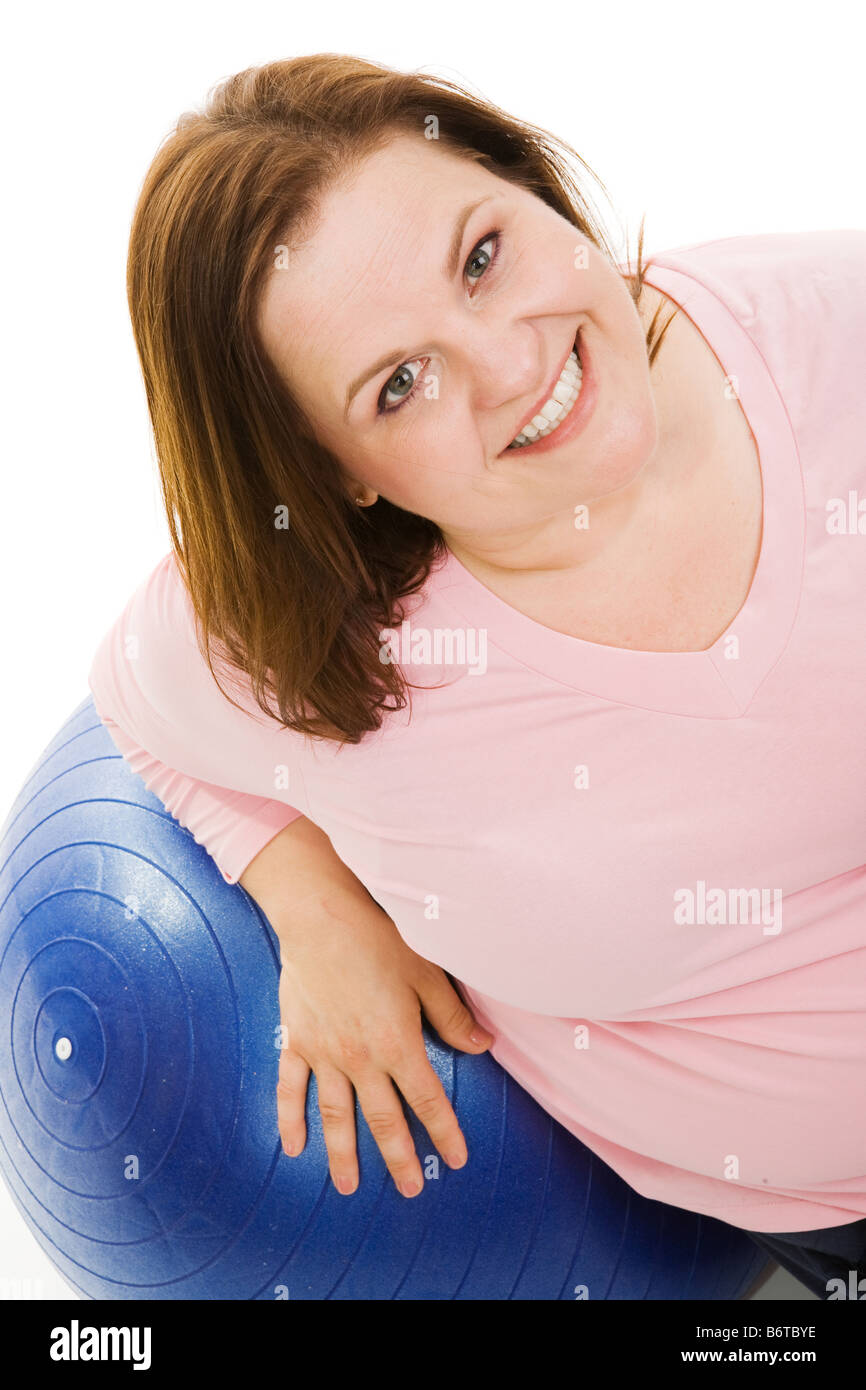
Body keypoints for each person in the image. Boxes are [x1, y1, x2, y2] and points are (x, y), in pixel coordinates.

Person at [88, 53, 866, 1299]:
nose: (508, 367)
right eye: (398, 384)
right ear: (336, 471)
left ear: (534, 191)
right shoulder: (336, 643)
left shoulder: (837, 328)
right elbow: (137, 700)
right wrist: (309, 901)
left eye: (482, 256)